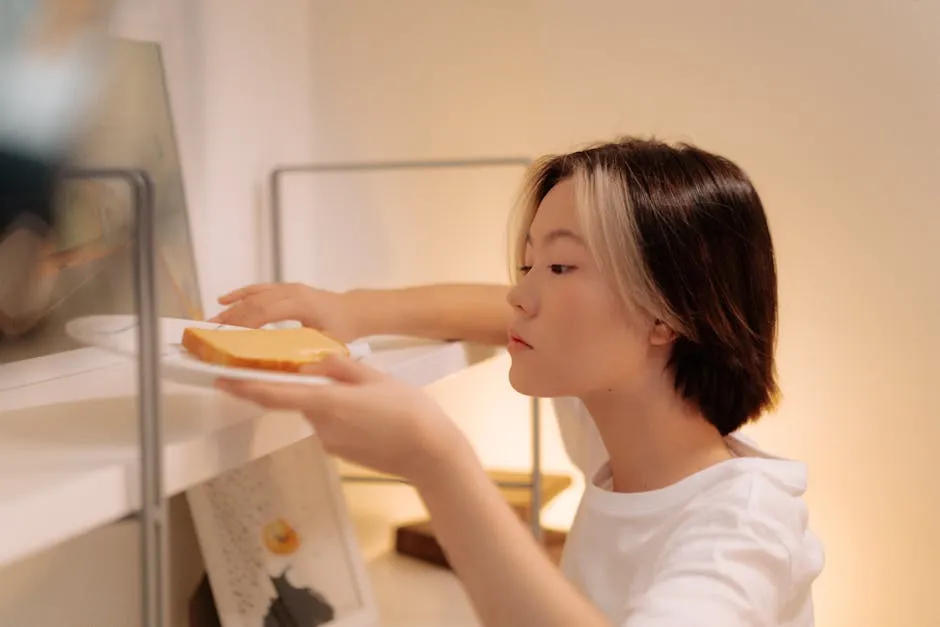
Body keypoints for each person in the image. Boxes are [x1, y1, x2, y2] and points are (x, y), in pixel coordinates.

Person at [212, 137, 825, 626]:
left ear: (666, 311)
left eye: (559, 265)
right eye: (529, 263)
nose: (519, 294)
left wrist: (436, 460)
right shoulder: (618, 421)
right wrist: (354, 309)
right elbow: (492, 310)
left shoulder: (742, 527)